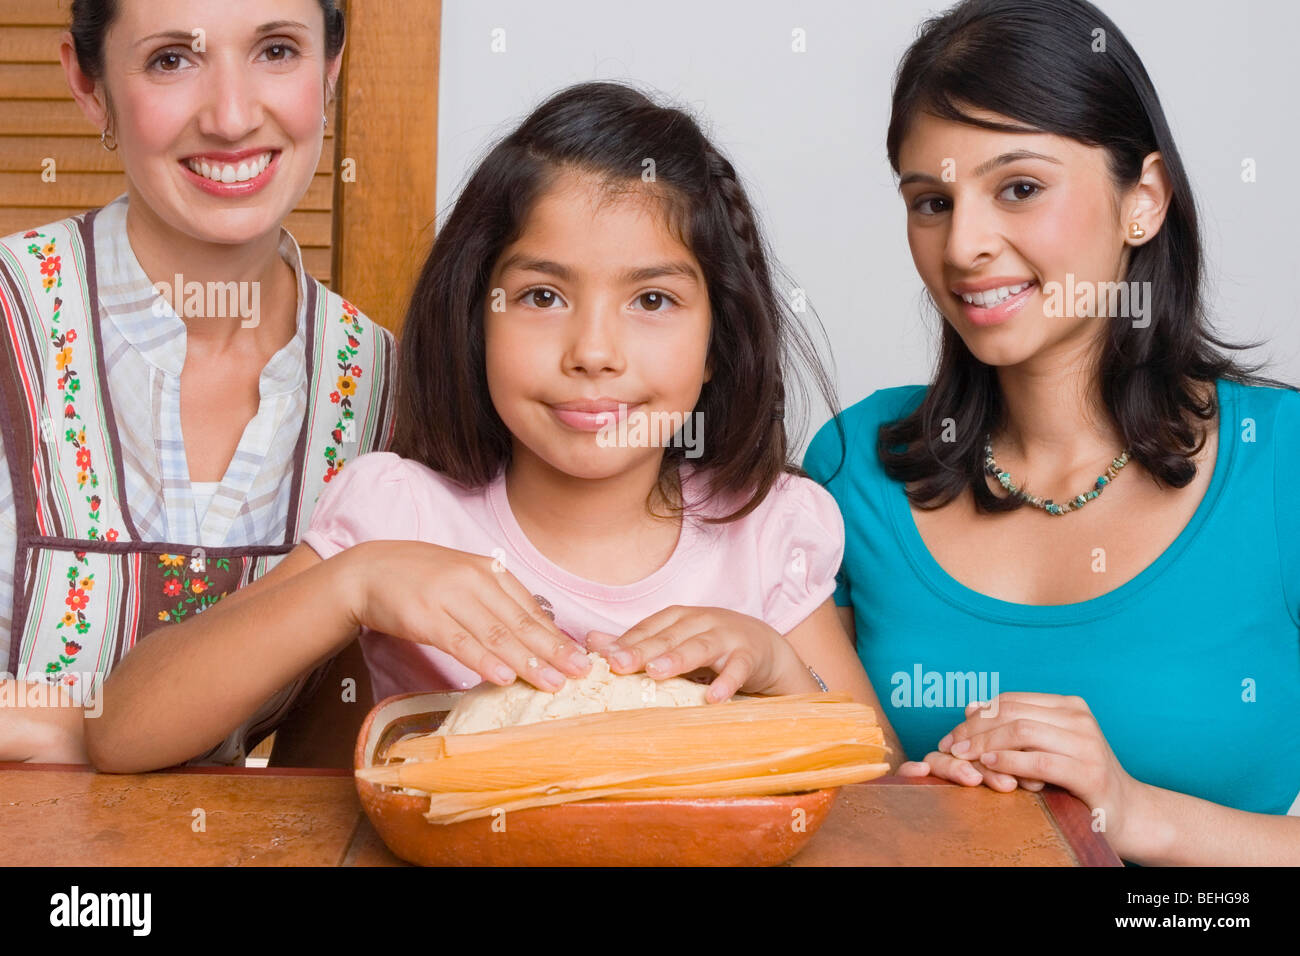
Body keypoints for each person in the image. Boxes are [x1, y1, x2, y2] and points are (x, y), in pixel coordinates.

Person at [85, 81, 904, 773]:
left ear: (718, 343)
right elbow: (123, 732)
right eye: (543, 296)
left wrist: (778, 669)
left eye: (652, 301)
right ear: (475, 318)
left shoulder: (758, 528)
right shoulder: (402, 515)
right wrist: (352, 583)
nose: (593, 352)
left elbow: (875, 781)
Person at [804, 0, 1299, 864]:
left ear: (1142, 200)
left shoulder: (1281, 466)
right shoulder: (854, 467)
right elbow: (813, 808)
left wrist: (1132, 812)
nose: (963, 246)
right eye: (931, 202)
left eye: (1020, 188)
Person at [0, 0, 395, 765]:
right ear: (88, 85)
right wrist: (108, 731)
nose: (232, 115)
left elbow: (331, 769)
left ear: (331, 68)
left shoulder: (391, 391)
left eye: (277, 51)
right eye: (171, 59)